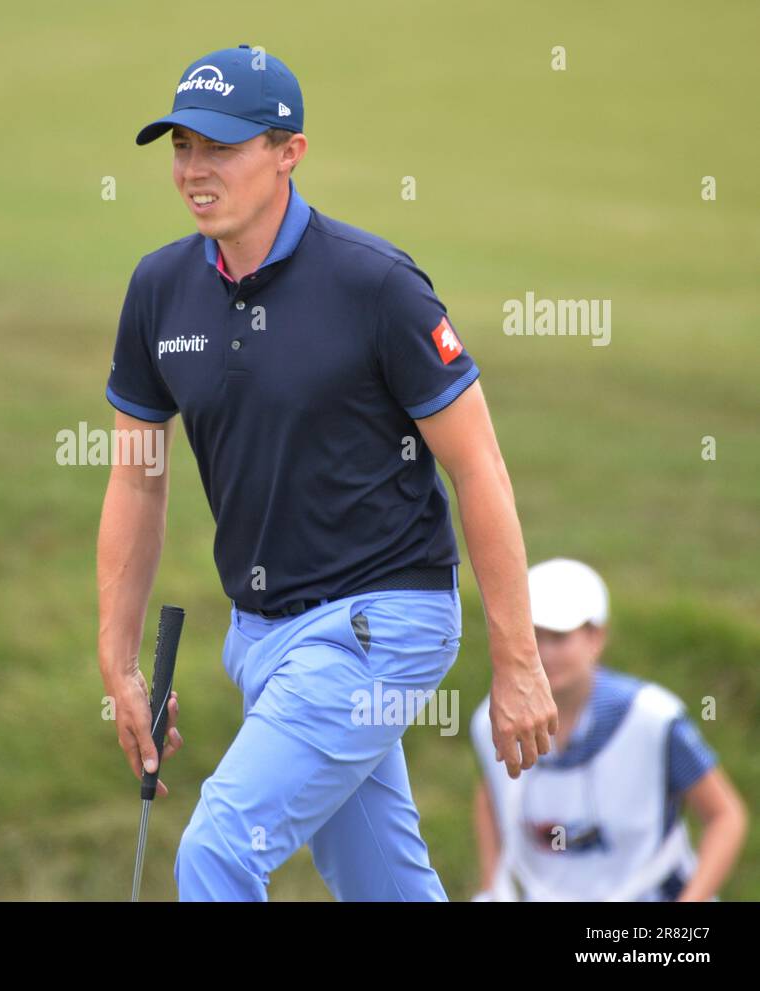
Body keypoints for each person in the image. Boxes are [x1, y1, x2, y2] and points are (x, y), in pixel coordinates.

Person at [96, 44, 556, 901]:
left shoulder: (376, 284)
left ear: (288, 150)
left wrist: (518, 659)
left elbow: (478, 466)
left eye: (221, 149)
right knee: (383, 884)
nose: (195, 170)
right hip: (261, 638)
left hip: (384, 622)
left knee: (217, 850)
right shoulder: (158, 290)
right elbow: (137, 478)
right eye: (182, 147)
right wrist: (118, 658)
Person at [471, 558, 748, 901]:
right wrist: (493, 887)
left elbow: (725, 816)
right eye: (532, 637)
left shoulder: (652, 718)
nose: (545, 652)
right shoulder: (492, 720)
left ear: (595, 638)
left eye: (559, 637)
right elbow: (492, 791)